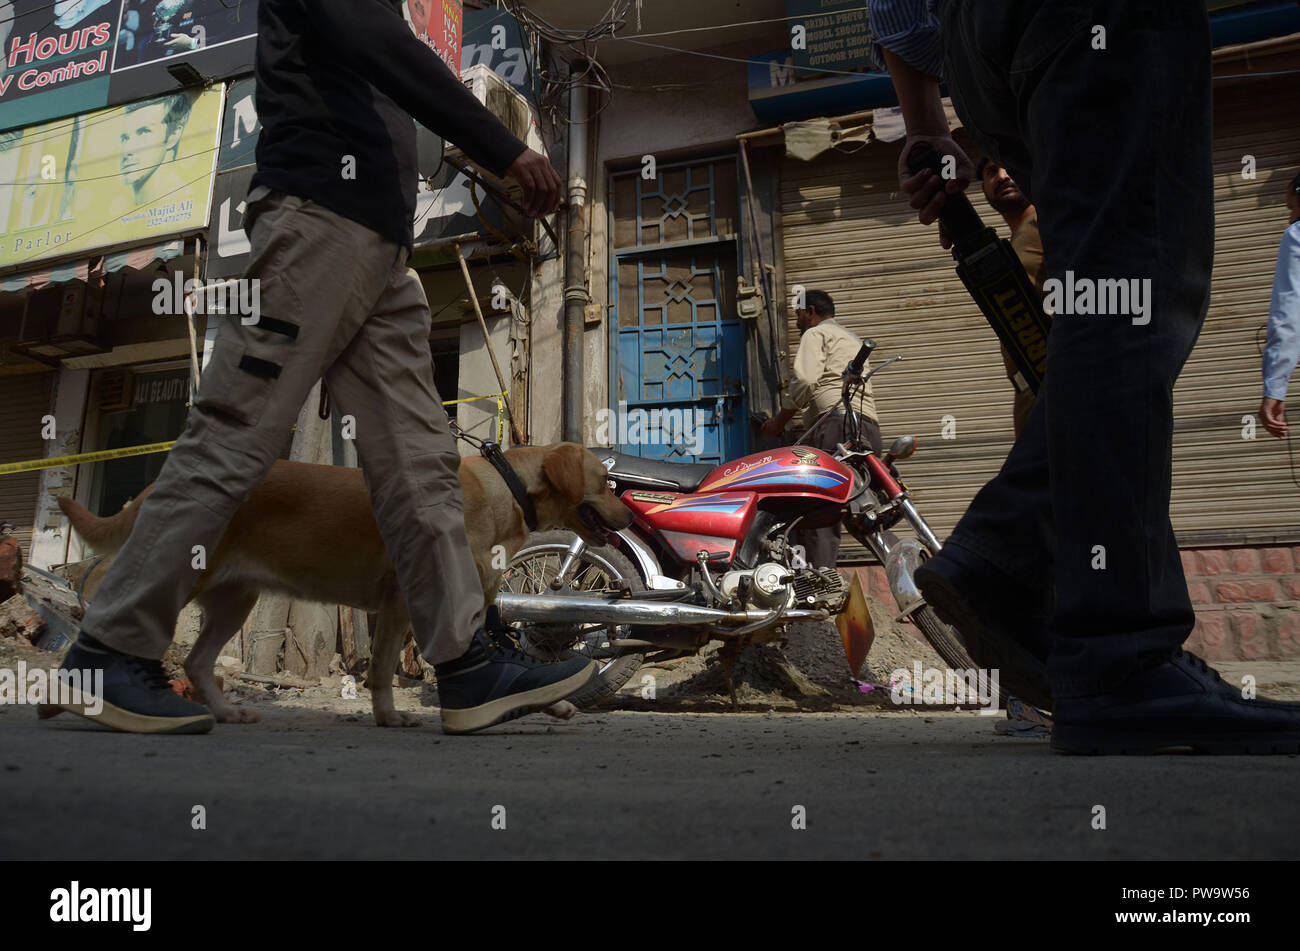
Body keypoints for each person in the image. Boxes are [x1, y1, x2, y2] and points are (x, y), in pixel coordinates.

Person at [50, 0, 593, 736]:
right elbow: (376, 41)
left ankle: (466, 664)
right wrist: (501, 146)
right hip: (318, 220)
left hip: (382, 248)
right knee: (237, 432)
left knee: (422, 460)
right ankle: (108, 647)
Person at [868, 0, 1300, 753]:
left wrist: (927, 120)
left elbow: (895, 9)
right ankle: (1104, 644)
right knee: (1136, 290)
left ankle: (1099, 632)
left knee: (1104, 303)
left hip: (982, 48)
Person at [761, 289, 883, 570]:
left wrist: (780, 421)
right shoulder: (850, 339)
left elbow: (805, 380)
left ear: (811, 312)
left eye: (799, 314)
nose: (797, 322)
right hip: (867, 429)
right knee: (867, 509)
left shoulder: (815, 335)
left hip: (836, 428)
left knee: (818, 509)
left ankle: (819, 581)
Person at [978, 157, 1045, 437]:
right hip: (1027, 388)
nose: (1003, 176)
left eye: (1009, 167)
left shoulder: (1048, 220)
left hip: (1055, 378)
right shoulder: (1014, 239)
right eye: (992, 172)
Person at [1259, 171, 1300, 439]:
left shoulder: (1297, 235)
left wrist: (1274, 389)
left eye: (1292, 208)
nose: (1289, 218)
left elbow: (1288, 317)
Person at [118, 94, 192, 208]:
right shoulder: (119, 216)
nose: (127, 150)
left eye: (144, 132)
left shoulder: (191, 202)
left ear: (173, 135)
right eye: (125, 138)